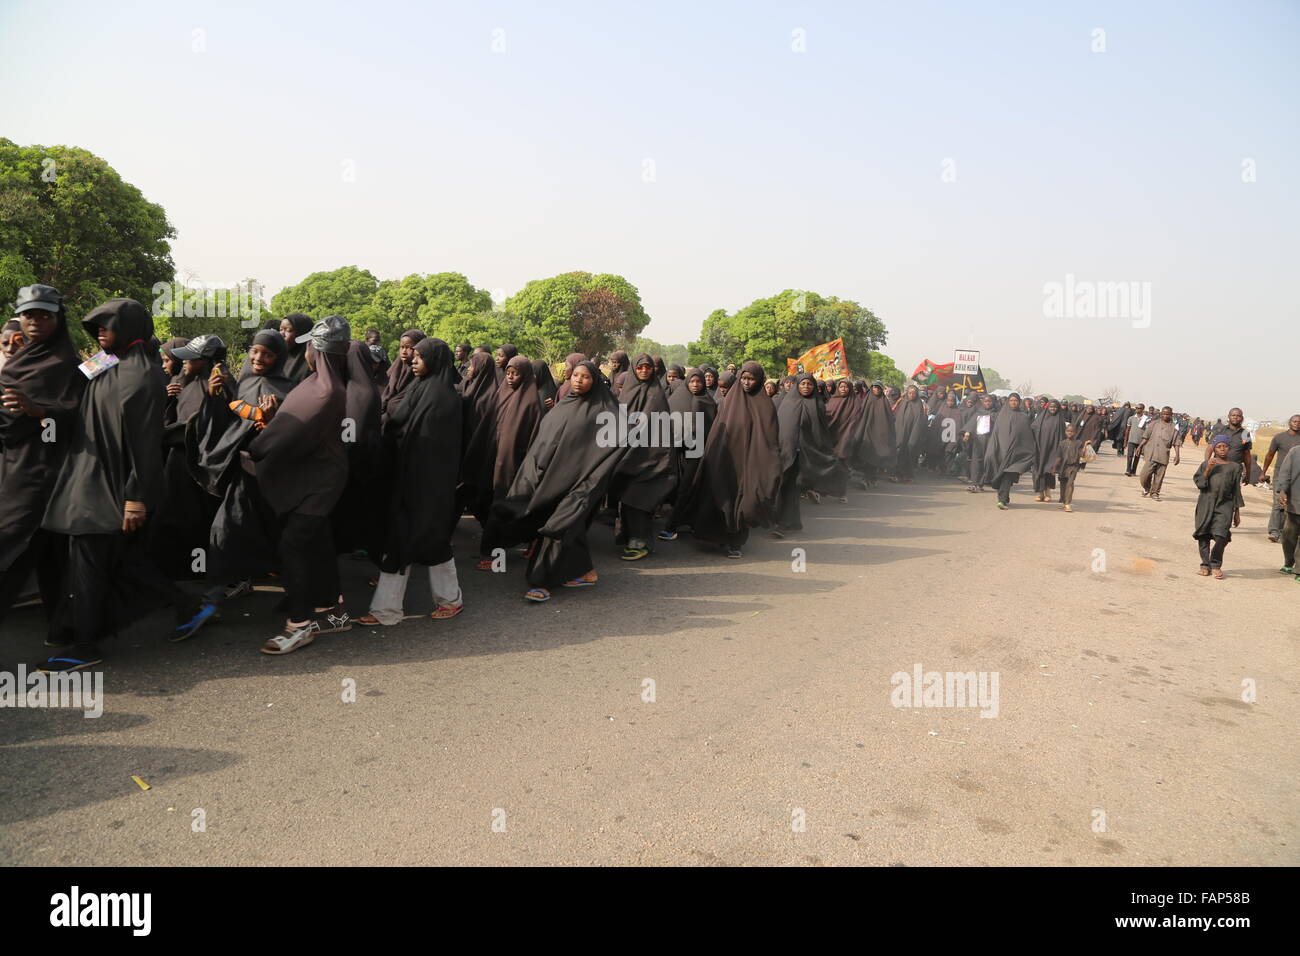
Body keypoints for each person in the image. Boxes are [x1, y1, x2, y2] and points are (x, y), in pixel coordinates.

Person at [37, 298, 187, 672]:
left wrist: (135, 497)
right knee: (116, 560)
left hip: (114, 485)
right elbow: (72, 384)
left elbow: (145, 441)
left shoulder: (143, 373)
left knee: (90, 560)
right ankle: (192, 606)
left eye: (107, 325)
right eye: (96, 326)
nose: (100, 332)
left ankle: (84, 644)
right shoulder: (106, 360)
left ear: (130, 328)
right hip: (86, 476)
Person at [248, 315, 352, 654]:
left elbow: (287, 432)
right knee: (318, 543)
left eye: (310, 344)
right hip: (318, 477)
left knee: (294, 546)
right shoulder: (323, 383)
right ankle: (334, 610)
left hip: (318, 484)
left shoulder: (323, 390)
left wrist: (256, 447)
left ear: (318, 350)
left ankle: (300, 624)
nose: (305, 349)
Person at [485, 361, 630, 602]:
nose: (578, 380)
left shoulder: (606, 412)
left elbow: (609, 450)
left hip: (581, 483)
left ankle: (541, 581)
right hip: (550, 478)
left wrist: (591, 482)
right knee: (556, 524)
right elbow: (545, 442)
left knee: (558, 526)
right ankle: (586, 571)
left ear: (594, 381)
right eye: (575, 375)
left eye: (585, 377)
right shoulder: (564, 405)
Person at [358, 337, 465, 626]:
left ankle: (447, 601)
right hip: (409, 479)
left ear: (436, 361)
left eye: (420, 357)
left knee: (430, 540)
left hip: (429, 484)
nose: (413, 361)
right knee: (404, 540)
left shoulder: (445, 399)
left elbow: (433, 447)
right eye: (413, 356)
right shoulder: (419, 388)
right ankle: (388, 610)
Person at [0, 285, 85, 632]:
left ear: (57, 318)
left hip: (44, 474)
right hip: (15, 465)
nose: (35, 321)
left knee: (10, 547)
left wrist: (40, 412)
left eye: (44, 315)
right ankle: (64, 629)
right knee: (45, 553)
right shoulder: (19, 359)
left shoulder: (68, 364)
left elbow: (79, 418)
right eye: (29, 315)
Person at [675, 362, 779, 556]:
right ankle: (718, 536)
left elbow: (769, 440)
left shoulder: (766, 406)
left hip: (749, 464)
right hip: (724, 460)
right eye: (744, 378)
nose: (747, 383)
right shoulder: (730, 401)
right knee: (721, 499)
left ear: (759, 380)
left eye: (751, 379)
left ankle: (735, 542)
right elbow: (718, 431)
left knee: (743, 503)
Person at [467, 354, 543, 563]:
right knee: (483, 499)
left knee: (501, 507)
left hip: (512, 465)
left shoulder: (531, 403)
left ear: (525, 375)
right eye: (508, 373)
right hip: (492, 459)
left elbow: (534, 439)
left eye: (515, 373)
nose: (510, 377)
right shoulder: (501, 393)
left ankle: (491, 554)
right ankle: (532, 536)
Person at [609, 354, 677, 560]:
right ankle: (631, 537)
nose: (645, 371)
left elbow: (660, 427)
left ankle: (640, 542)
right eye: (640, 368)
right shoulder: (627, 391)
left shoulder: (656, 394)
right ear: (633, 369)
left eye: (648, 367)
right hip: (627, 455)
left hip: (649, 457)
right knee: (626, 500)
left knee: (638, 500)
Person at [774, 372, 847, 532]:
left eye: (809, 384)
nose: (806, 387)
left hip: (805, 454)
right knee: (780, 486)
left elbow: (820, 431)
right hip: (784, 452)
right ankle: (787, 521)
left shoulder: (817, 405)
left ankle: (784, 523)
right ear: (797, 386)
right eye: (803, 384)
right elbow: (779, 428)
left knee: (793, 488)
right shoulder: (787, 402)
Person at [659, 367, 717, 542]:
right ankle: (688, 521)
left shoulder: (707, 402)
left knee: (687, 487)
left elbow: (711, 429)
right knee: (678, 487)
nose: (695, 384)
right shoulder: (678, 398)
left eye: (699, 381)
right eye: (692, 381)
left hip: (698, 452)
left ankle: (671, 526)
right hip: (678, 451)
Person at [1192, 437, 1244, 579]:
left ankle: (1215, 564)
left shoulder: (1235, 467)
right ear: (1213, 448)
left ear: (1229, 448)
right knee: (1203, 534)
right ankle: (1205, 565)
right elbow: (1200, 484)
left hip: (1225, 505)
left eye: (1225, 446)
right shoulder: (1205, 465)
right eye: (1219, 446)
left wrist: (1237, 512)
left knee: (1221, 535)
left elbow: (1236, 490)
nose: (1222, 449)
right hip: (1206, 503)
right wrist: (1208, 468)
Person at [980, 392, 1035, 510]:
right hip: (1000, 452)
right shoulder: (1002, 416)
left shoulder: (1024, 418)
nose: (1013, 402)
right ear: (1008, 402)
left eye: (1015, 400)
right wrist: (992, 449)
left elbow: (1027, 437)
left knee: (1008, 475)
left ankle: (1002, 500)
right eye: (1011, 400)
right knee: (1001, 475)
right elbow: (996, 434)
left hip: (1016, 455)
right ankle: (1004, 497)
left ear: (1019, 402)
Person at [1259, 414, 1300, 543]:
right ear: (1289, 422)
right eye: (1294, 421)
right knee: (1278, 503)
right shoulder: (1279, 438)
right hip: (1280, 475)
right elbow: (1269, 455)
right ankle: (1274, 531)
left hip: (1297, 477)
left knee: (1291, 505)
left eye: (1299, 422)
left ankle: (1285, 532)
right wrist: (1263, 472)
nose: (1297, 424)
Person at [380, 329, 426, 419]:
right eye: (402, 347)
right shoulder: (394, 370)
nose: (404, 351)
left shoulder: (422, 375)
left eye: (409, 348)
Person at [1138, 406, 1180, 500]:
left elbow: (1176, 443)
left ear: (1171, 415)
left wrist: (1177, 455)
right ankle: (1147, 487)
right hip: (1151, 454)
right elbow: (1146, 436)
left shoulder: (1174, 428)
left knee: (1159, 476)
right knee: (1144, 475)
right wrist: (1140, 446)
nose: (1165, 415)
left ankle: (1155, 492)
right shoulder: (1154, 424)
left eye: (1167, 414)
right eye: (1164, 413)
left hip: (1163, 455)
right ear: (1161, 414)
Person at [1030, 399, 1067, 501]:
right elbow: (1033, 427)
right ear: (1047, 407)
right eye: (1051, 407)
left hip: (1053, 450)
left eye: (1054, 407)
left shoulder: (1060, 420)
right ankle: (1040, 493)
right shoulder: (1041, 418)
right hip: (1040, 449)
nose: (1052, 409)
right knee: (1039, 470)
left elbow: (1063, 435)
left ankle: (1048, 493)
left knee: (1049, 471)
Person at [1272, 444, 1300, 579]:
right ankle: (1289, 562)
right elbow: (1285, 473)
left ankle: (1299, 569)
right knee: (1289, 536)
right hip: (1295, 502)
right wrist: (1282, 491)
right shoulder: (1295, 451)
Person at [962, 393, 997, 492]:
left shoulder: (995, 414)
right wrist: (967, 433)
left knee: (986, 462)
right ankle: (974, 483)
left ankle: (981, 483)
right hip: (979, 441)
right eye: (986, 401)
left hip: (990, 441)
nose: (987, 403)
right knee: (976, 461)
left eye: (989, 401)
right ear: (983, 402)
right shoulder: (979, 413)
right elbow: (972, 424)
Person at [1053, 422, 1085, 512]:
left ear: (1075, 432)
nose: (1070, 433)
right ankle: (1064, 502)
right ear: (1065, 432)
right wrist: (1054, 467)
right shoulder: (1062, 443)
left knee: (1070, 484)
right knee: (1063, 485)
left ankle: (1068, 503)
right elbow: (1058, 456)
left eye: (1072, 431)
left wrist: (1086, 446)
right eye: (1068, 431)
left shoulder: (1078, 443)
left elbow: (1082, 454)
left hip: (1073, 467)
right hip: (1063, 467)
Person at [278, 312, 315, 384]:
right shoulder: (277, 358)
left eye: (288, 330)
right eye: (281, 329)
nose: (282, 334)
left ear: (302, 333)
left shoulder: (313, 363)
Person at [1122, 403, 1149, 476]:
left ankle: (1133, 471)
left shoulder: (1146, 419)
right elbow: (1127, 430)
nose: (1137, 409)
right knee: (1129, 455)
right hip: (1131, 440)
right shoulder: (1131, 418)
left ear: (1142, 409)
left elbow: (1147, 431)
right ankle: (1128, 470)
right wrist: (1125, 441)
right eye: (1136, 408)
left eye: (1139, 408)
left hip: (1140, 442)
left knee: (1137, 456)